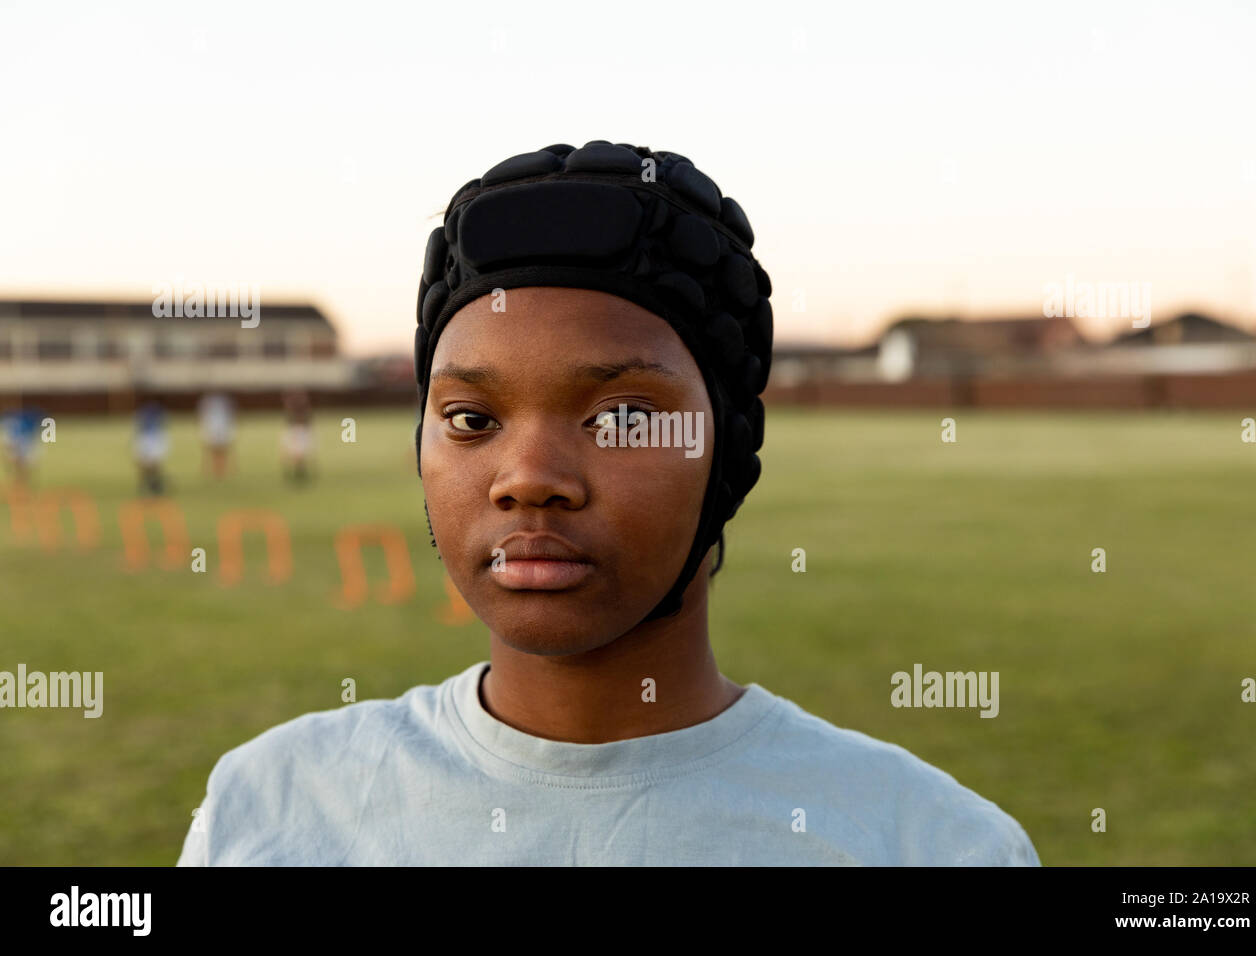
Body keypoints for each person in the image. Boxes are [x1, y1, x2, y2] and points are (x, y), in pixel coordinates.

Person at [178, 141, 1039, 866]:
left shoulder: (928, 844)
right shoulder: (271, 807)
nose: (528, 477)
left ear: (729, 451)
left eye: (623, 417)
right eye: (471, 418)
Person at [197, 391, 236, 478]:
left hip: (223, 425)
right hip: (212, 425)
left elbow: (231, 411)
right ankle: (211, 470)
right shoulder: (207, 398)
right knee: (212, 449)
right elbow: (203, 412)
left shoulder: (225, 398)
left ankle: (222, 471)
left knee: (223, 449)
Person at [133, 401, 168, 496]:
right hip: (147, 438)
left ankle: (155, 484)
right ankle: (147, 484)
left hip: (153, 437)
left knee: (153, 463)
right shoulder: (143, 413)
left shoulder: (156, 412)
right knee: (145, 464)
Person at [279, 389, 314, 485]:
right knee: (296, 453)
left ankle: (298, 472)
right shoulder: (299, 408)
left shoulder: (299, 408)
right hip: (297, 430)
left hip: (298, 430)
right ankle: (296, 472)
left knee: (297, 453)